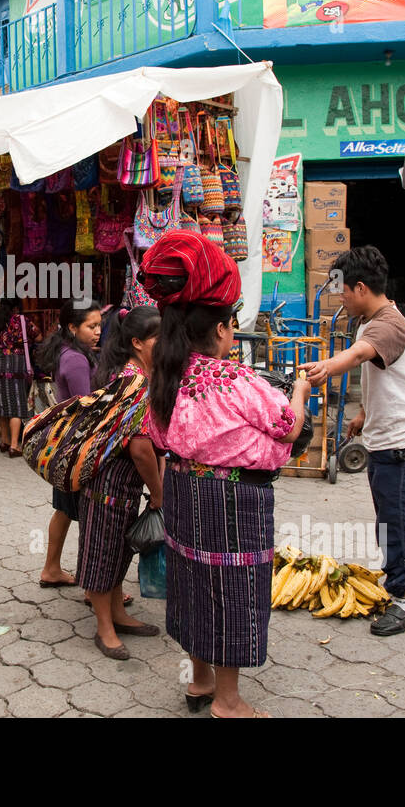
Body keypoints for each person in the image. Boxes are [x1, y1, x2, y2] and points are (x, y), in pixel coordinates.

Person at [142, 231, 309, 716]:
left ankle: (199, 682)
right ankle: (229, 701)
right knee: (233, 591)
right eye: (232, 327)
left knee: (193, 582)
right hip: (234, 500)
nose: (234, 336)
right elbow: (286, 425)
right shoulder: (233, 377)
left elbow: (156, 431)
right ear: (218, 330)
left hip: (183, 488)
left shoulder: (166, 376)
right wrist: (299, 389)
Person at [303, 246, 405, 637]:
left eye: (343, 290)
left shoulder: (385, 325)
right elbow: (389, 376)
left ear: (360, 287)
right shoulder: (372, 318)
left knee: (394, 520)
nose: (340, 298)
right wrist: (363, 415)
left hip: (398, 442)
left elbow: (360, 354)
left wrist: (326, 366)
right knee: (394, 515)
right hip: (387, 434)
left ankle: (404, 598)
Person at [79, 306, 166, 660]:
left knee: (118, 554)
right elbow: (141, 449)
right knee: (102, 558)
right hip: (108, 487)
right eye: (159, 339)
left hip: (123, 488)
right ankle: (104, 628)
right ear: (137, 343)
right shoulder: (134, 383)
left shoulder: (141, 375)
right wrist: (158, 494)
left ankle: (117, 614)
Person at [33, 299, 102, 588]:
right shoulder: (75, 359)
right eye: (91, 326)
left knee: (64, 510)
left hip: (67, 445)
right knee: (90, 514)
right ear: (72, 327)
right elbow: (88, 408)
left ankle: (51, 569)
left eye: (100, 325)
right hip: (78, 447)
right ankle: (95, 585)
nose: (98, 331)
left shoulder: (69, 351)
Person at [0, 298, 35, 457]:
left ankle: (4, 441)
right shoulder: (21, 321)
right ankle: (14, 446)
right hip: (16, 365)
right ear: (16, 308)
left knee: (2, 404)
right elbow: (37, 336)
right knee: (17, 405)